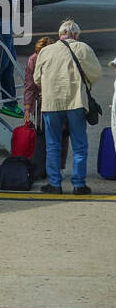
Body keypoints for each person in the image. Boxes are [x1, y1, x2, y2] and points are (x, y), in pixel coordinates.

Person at [34, 19, 102, 194]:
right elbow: (96, 73)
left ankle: (54, 184)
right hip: (75, 101)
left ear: (59, 35)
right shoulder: (84, 48)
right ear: (76, 35)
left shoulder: (46, 51)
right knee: (79, 145)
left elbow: (36, 78)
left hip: (51, 103)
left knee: (53, 144)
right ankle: (79, 184)